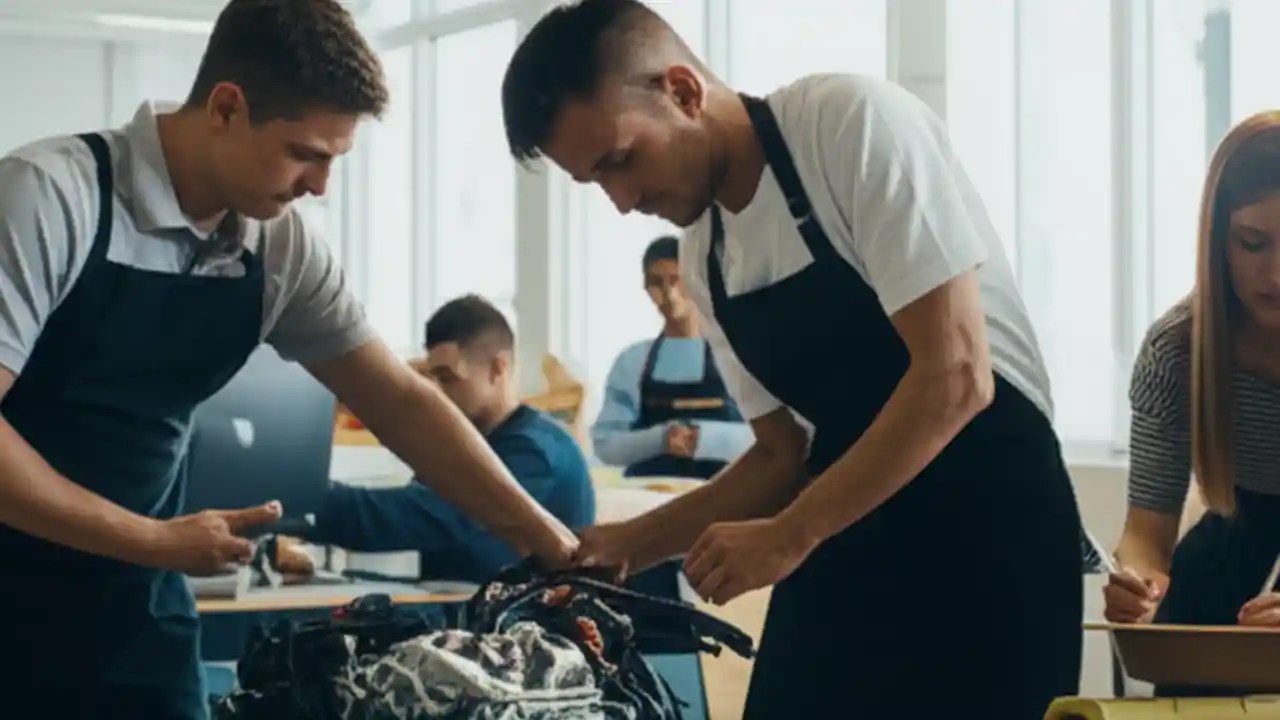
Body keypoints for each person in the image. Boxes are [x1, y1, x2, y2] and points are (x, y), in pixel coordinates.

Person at [501, 0, 1084, 716]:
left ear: (682, 90)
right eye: (596, 182)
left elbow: (958, 375)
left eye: (622, 160)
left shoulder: (847, 125)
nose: (623, 201)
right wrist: (629, 544)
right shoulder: (704, 257)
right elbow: (783, 456)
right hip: (848, 524)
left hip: (990, 523)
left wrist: (792, 533)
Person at [0, 2, 575, 716]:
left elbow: (400, 402)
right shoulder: (48, 196)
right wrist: (152, 539)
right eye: (307, 153)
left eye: (336, 159)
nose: (321, 186)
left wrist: (550, 540)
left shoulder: (277, 247)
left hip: (138, 617)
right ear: (228, 107)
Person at [1104, 112, 1280, 692]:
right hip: (1224, 566)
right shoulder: (1174, 353)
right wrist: (1139, 583)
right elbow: (1146, 535)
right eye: (1252, 243)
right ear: (1216, 240)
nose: (1276, 274)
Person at [302, 295, 596, 584]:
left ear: (498, 368)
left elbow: (416, 519)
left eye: (447, 377)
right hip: (465, 603)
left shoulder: (535, 451)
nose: (437, 393)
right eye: (433, 378)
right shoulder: (477, 443)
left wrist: (292, 495)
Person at [592, 235, 752, 480]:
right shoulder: (633, 362)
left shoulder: (736, 355)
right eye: (657, 282)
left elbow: (772, 439)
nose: (669, 293)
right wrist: (662, 438)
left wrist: (705, 437)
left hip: (725, 493)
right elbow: (606, 445)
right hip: (647, 496)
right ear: (646, 288)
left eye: (678, 281)